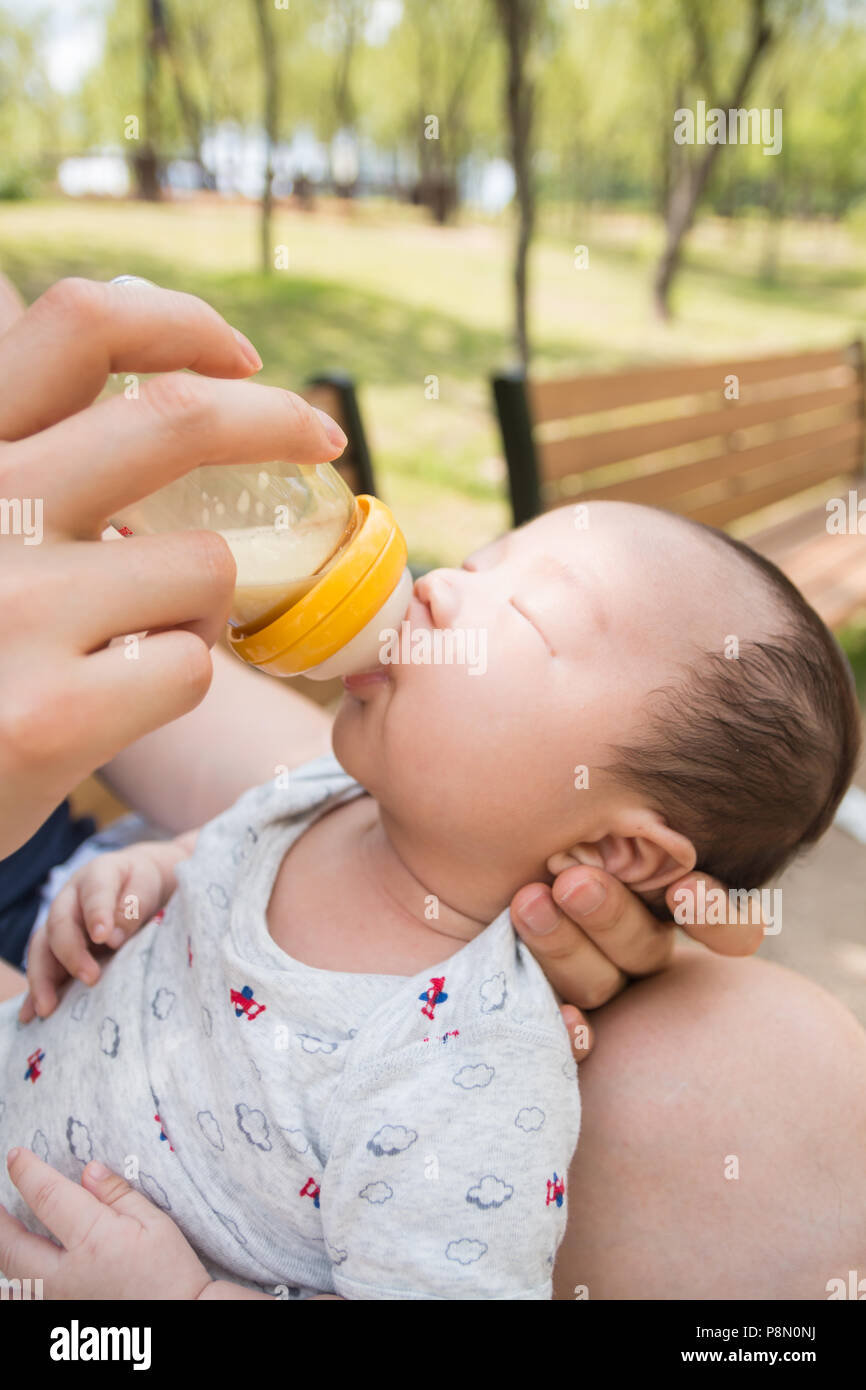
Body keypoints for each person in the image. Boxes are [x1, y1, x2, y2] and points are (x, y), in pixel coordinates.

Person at [0, 277, 863, 1299]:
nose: (443, 582)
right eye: (480, 559)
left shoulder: (468, 1071)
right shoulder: (324, 799)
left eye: (528, 614)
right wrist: (143, 878)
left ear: (616, 851)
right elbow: (222, 857)